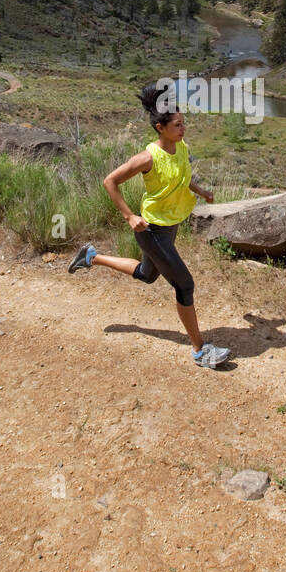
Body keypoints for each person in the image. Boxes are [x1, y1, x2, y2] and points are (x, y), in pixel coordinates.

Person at [67, 83, 232, 369]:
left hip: (169, 227)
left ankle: (91, 256)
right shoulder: (147, 158)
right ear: (160, 127)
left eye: (184, 123)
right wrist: (129, 216)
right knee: (184, 284)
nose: (183, 129)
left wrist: (201, 191)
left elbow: (181, 176)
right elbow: (110, 181)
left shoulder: (181, 147)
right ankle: (200, 351)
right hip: (151, 231)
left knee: (146, 274)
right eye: (178, 125)